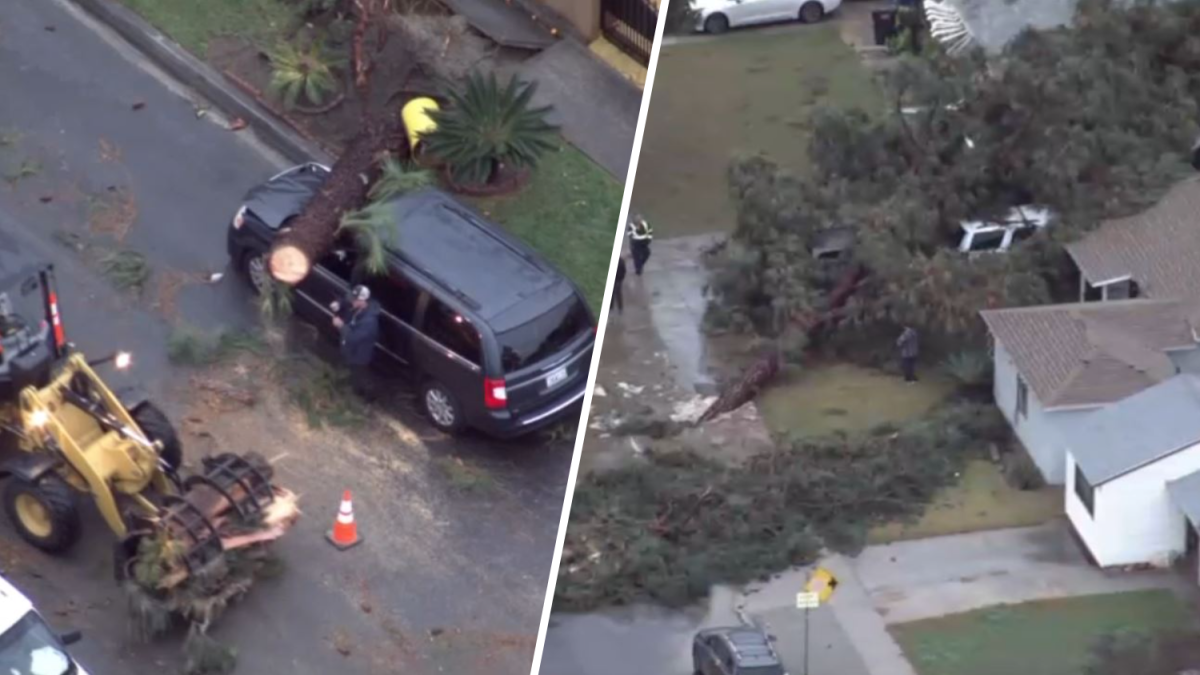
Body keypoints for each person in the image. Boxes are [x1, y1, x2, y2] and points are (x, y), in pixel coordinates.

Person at [330, 285, 382, 400]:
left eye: (354, 299)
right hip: (349, 350)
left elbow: (353, 338)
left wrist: (341, 326)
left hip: (358, 355)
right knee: (346, 368)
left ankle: (368, 397)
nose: (352, 301)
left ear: (362, 301)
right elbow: (346, 301)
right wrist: (339, 304)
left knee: (358, 377)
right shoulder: (359, 305)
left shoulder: (369, 323)